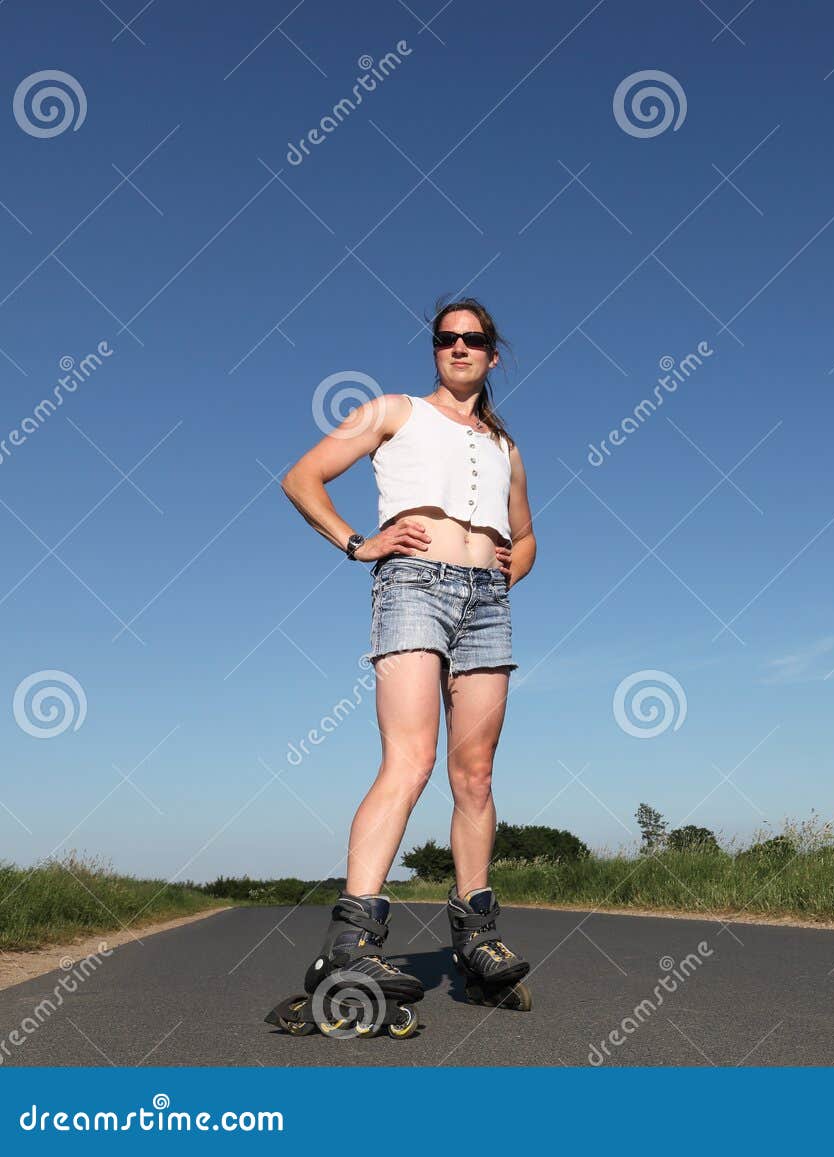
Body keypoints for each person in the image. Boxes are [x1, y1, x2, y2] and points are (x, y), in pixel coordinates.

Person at [277, 296, 536, 1024]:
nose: (459, 347)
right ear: (435, 349)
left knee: (475, 772)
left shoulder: (506, 446)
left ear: (492, 352)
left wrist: (502, 568)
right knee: (411, 758)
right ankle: (352, 938)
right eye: (446, 337)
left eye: (473, 338)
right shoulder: (394, 410)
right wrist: (359, 543)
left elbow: (529, 534)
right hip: (413, 586)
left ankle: (477, 935)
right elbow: (303, 477)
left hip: (488, 599)